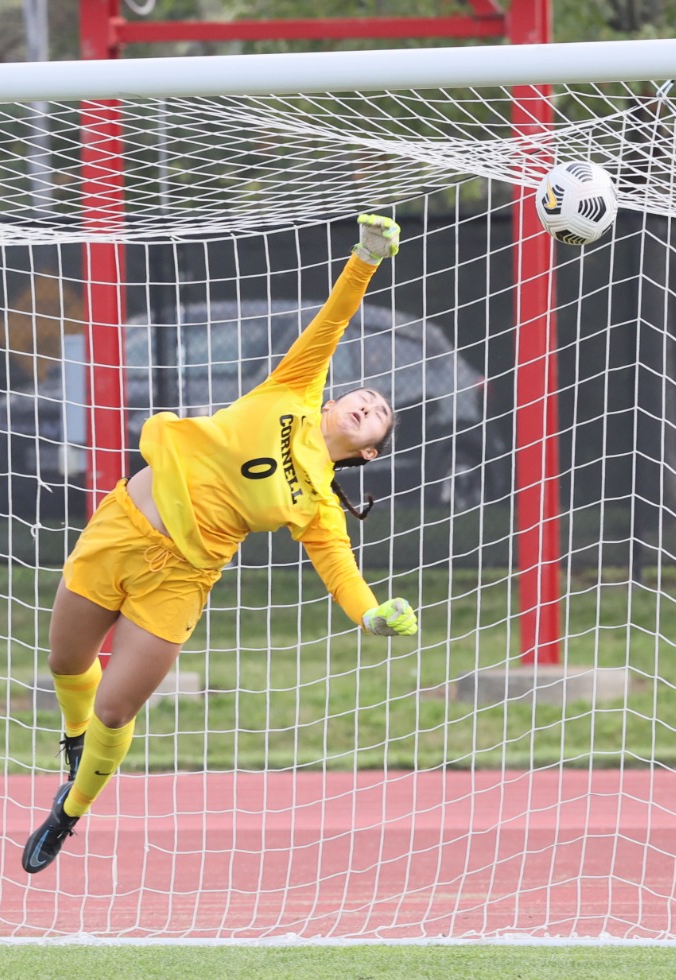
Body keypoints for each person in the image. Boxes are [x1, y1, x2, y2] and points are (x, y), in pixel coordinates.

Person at [22, 214, 420, 875]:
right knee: (68, 663)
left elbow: (341, 572)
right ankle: (74, 741)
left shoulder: (320, 503)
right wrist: (367, 259)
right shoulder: (294, 388)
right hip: (121, 529)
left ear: (371, 449)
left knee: (115, 708)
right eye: (366, 394)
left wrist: (372, 615)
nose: (368, 403)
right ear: (335, 398)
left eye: (379, 412)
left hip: (179, 579)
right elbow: (334, 319)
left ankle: (68, 812)